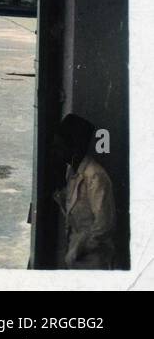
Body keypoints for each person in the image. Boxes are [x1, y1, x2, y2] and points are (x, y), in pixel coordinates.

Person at [51, 113, 117, 269]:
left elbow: (104, 225)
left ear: (74, 147)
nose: (56, 152)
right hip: (76, 259)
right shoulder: (71, 173)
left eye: (60, 147)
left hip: (96, 261)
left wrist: (78, 249)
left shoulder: (95, 176)